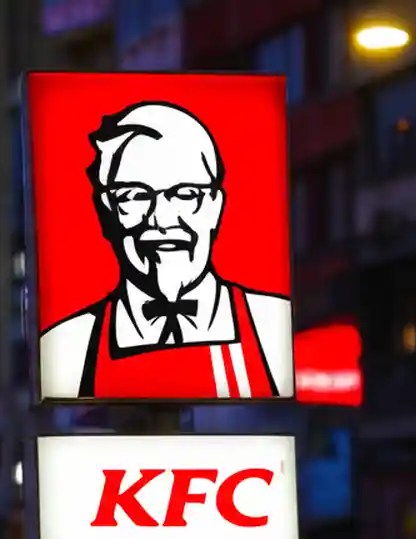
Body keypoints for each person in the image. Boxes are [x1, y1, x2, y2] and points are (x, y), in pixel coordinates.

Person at [39, 101, 293, 400]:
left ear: (215, 207)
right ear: (107, 212)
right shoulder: (67, 346)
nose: (162, 219)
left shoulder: (272, 325)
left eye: (186, 194)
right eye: (134, 196)